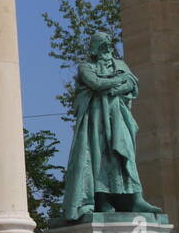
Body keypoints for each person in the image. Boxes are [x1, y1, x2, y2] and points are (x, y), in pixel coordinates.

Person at [62, 31, 160, 221]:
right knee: (99, 157)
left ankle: (135, 198)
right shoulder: (86, 67)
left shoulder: (121, 65)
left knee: (125, 155)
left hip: (119, 117)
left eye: (108, 45)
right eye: (102, 45)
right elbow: (96, 83)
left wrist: (119, 86)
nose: (106, 48)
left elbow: (132, 83)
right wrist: (118, 80)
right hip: (96, 119)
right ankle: (102, 199)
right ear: (94, 48)